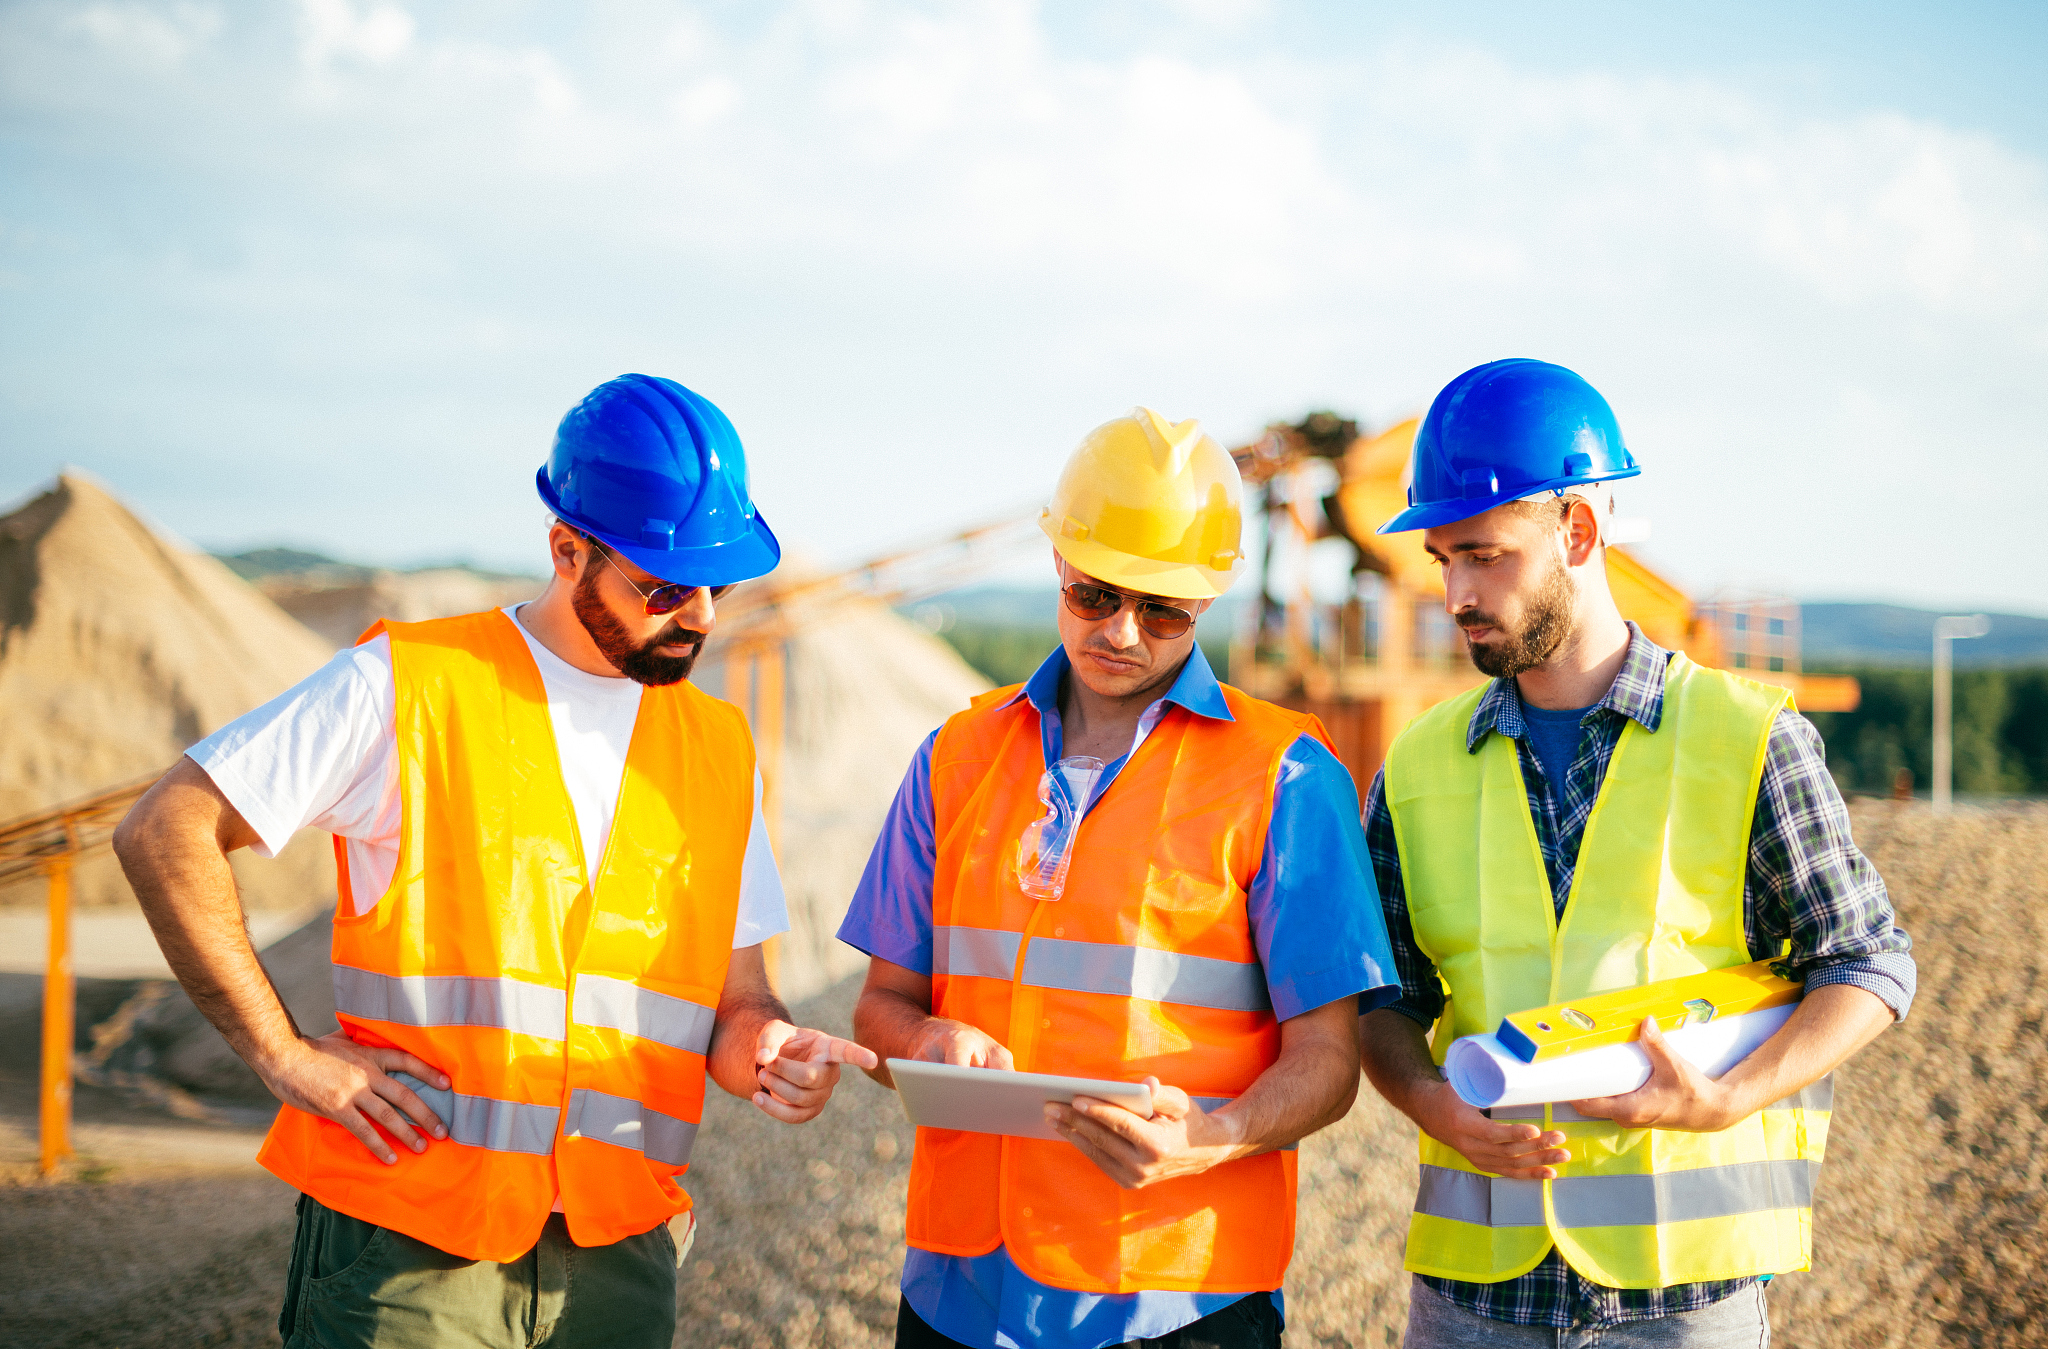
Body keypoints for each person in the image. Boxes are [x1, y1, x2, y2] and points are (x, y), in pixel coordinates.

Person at [114, 373, 878, 1349]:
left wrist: (770, 1051)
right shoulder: (411, 686)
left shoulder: (718, 746)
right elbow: (165, 827)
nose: (698, 617)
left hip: (616, 1250)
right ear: (567, 550)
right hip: (412, 1248)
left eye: (715, 586)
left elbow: (738, 1002)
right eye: (662, 586)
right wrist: (284, 1051)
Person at [1356, 359, 1916, 1347]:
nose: (1454, 592)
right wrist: (1430, 1102)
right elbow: (1382, 998)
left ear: (1576, 531)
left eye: (1482, 554)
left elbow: (1866, 960)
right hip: (1473, 1297)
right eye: (1442, 559)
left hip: (1680, 1301)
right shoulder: (1414, 763)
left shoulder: (1746, 736)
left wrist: (1727, 1097)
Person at [839, 407, 1400, 1349]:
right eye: (1097, 595)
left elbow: (1329, 1064)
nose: (1124, 633)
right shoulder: (954, 757)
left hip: (1176, 1302)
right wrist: (926, 1036)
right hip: (957, 1288)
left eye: (1164, 609)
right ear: (1060, 564)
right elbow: (879, 1006)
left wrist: (1209, 1139)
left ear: (1207, 605)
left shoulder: (1288, 777)